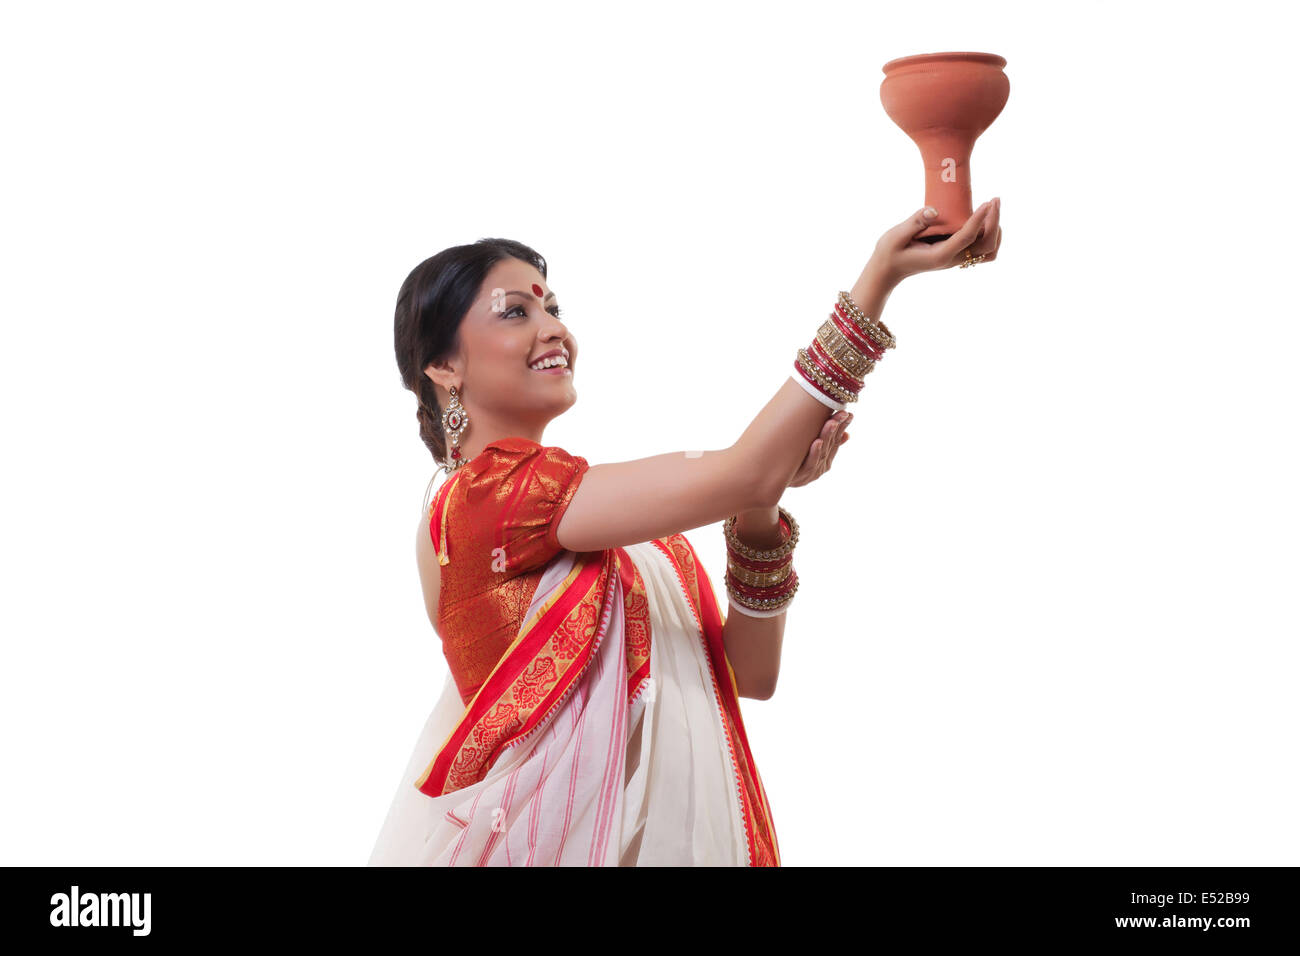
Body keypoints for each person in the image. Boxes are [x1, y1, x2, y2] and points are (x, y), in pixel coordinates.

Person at [368, 199, 1003, 866]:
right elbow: (746, 469)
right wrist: (879, 279)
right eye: (517, 311)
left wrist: (760, 509)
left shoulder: (619, 539)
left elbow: (746, 674)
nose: (555, 329)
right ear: (443, 366)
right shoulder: (487, 500)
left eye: (554, 307)